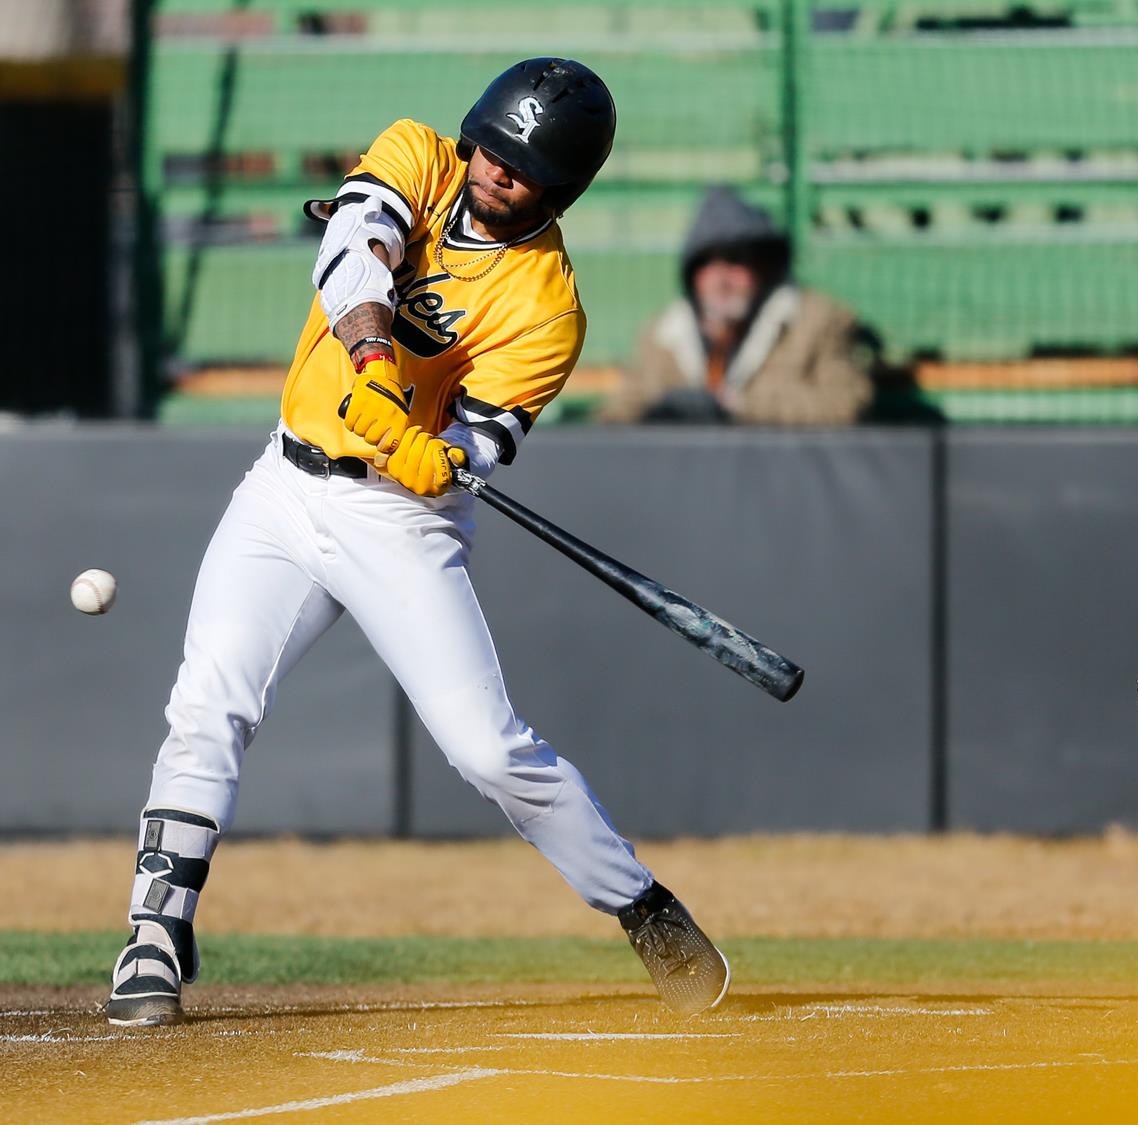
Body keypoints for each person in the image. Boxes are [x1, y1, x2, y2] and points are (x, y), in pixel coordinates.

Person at [103, 58, 730, 1027]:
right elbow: (353, 251)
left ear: (559, 187)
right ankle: (154, 930)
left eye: (523, 168)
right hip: (284, 484)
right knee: (207, 701)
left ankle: (640, 906)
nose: (495, 172)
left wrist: (435, 453)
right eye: (493, 148)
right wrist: (368, 361)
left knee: (488, 751)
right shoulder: (420, 156)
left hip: (400, 522)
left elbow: (483, 437)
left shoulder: (548, 306)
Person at [598, 184, 873, 426]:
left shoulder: (814, 322)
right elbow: (617, 417)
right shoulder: (664, 336)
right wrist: (664, 412)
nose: (721, 279)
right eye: (707, 263)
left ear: (764, 268)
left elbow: (844, 404)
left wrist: (737, 406)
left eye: (735, 260)